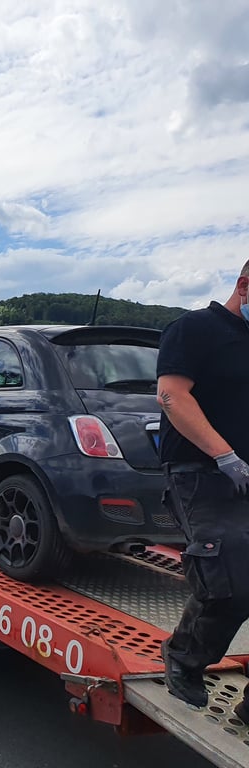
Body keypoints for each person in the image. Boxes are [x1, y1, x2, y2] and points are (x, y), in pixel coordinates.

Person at [156, 257, 249, 718]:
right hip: (202, 473)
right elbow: (172, 395)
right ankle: (184, 658)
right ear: (244, 285)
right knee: (231, 576)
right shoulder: (194, 329)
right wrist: (225, 456)